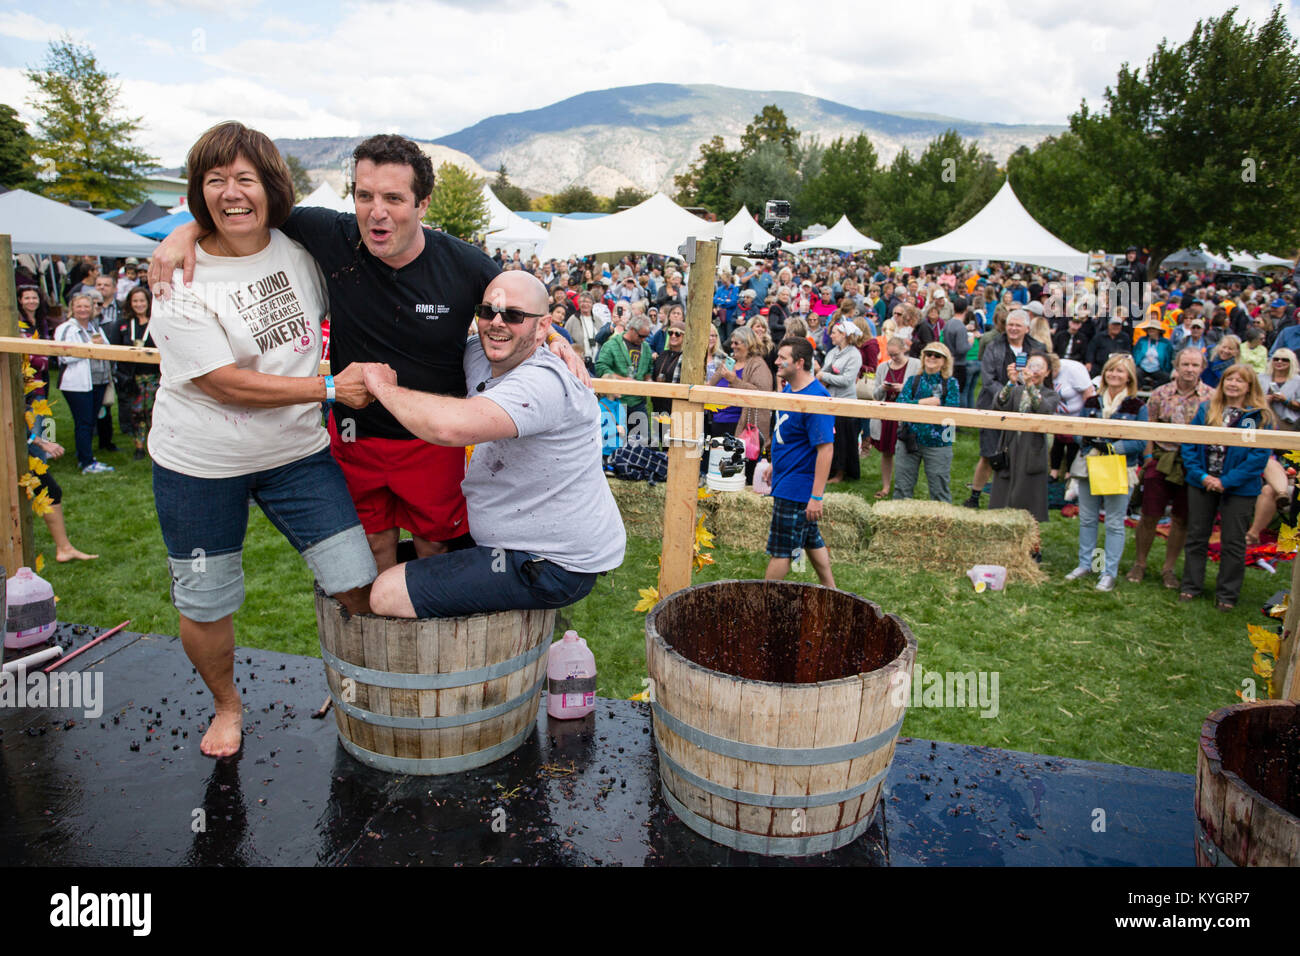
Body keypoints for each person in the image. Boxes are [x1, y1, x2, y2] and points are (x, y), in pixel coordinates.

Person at [151, 133, 584, 575]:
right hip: (355, 434)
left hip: (431, 439)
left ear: (423, 204)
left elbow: (522, 307)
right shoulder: (329, 234)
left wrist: (556, 342)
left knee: (434, 550)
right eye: (364, 195)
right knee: (371, 551)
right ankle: (376, 640)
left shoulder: (463, 264)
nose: (376, 211)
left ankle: (426, 635)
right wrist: (187, 231)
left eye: (393, 198)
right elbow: (244, 211)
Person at [148, 121, 378, 757]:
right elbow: (224, 384)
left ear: (271, 186)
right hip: (198, 462)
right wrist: (330, 391)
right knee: (205, 599)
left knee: (354, 575)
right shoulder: (179, 279)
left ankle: (351, 680)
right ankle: (227, 705)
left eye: (245, 178)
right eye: (214, 180)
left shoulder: (301, 252)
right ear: (199, 192)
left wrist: (532, 324)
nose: (231, 193)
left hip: (296, 456)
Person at [361, 272, 625, 617]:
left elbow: (449, 427)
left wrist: (380, 387)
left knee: (386, 592)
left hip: (552, 563)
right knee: (387, 560)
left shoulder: (543, 383)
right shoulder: (483, 355)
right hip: (509, 543)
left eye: (513, 315)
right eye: (487, 312)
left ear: (543, 325)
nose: (496, 323)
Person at [1179, 364, 1273, 611]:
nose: (1233, 384)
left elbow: (1258, 457)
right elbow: (1190, 444)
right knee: (1197, 535)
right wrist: (1202, 476)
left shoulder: (1258, 417)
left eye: (1239, 381)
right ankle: (1191, 586)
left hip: (1239, 488)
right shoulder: (1207, 409)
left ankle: (1227, 595)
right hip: (1202, 482)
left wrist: (1226, 481)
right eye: (1229, 379)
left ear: (1249, 386)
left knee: (1233, 541)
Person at [1063, 355, 1145, 591]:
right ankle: (1085, 563)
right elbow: (1078, 430)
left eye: (1120, 371)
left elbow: (1140, 442)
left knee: (1114, 522)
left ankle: (1108, 571)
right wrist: (1087, 441)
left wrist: (1111, 447)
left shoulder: (1137, 407)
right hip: (1090, 463)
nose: (1114, 375)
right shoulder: (1092, 402)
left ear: (1128, 376)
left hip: (1119, 467)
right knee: (1087, 518)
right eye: (1110, 370)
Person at [765, 337, 834, 587]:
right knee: (811, 541)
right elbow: (790, 435)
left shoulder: (816, 399)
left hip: (798, 488)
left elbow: (826, 449)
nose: (776, 362)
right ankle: (833, 593)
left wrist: (816, 497)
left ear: (800, 362)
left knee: (782, 550)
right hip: (787, 479)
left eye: (783, 358)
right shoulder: (789, 390)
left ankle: (762, 602)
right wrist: (775, 464)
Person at [966, 309, 1046, 508]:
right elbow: (988, 380)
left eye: (1018, 325)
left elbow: (1042, 376)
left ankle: (1013, 498)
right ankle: (975, 496)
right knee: (989, 454)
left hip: (1025, 409)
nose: (1013, 328)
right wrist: (1009, 396)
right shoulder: (994, 346)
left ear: (1027, 328)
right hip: (994, 406)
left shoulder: (1037, 348)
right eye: (1010, 324)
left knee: (1019, 455)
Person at [989, 353, 1056, 522]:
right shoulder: (1016, 391)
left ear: (1047, 373)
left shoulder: (1051, 395)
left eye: (1039, 367)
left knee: (1029, 499)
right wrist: (1011, 383)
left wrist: (1029, 385)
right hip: (1009, 446)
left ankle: (1031, 542)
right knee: (1003, 494)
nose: (1034, 371)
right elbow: (998, 405)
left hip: (1032, 451)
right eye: (1031, 365)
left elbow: (1044, 410)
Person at [53, 293, 115, 474]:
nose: (83, 310)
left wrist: (102, 345)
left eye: (86, 306)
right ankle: (87, 462)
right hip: (77, 384)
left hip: (98, 381)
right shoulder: (66, 328)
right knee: (84, 422)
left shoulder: (95, 327)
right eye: (79, 306)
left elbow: (109, 349)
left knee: (90, 421)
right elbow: (63, 356)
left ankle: (85, 456)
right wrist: (89, 347)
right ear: (72, 308)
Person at [894, 342, 961, 502]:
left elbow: (953, 411)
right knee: (902, 488)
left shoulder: (951, 383)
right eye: (928, 354)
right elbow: (900, 405)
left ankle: (942, 524)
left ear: (945, 361)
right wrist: (924, 402)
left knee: (939, 490)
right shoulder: (913, 380)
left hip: (940, 442)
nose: (932, 358)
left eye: (937, 355)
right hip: (909, 439)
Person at [868, 336, 920, 499]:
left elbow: (920, 390)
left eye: (896, 354)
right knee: (886, 452)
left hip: (905, 415)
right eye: (890, 355)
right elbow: (875, 395)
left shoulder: (916, 365)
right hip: (887, 416)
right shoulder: (883, 367)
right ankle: (886, 486)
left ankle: (904, 486)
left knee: (905, 453)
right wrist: (883, 388)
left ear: (904, 349)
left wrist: (903, 388)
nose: (893, 358)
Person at [819, 320, 863, 483]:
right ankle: (831, 470)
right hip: (830, 399)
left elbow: (847, 380)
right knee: (831, 437)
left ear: (844, 335)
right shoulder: (832, 353)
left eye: (834, 332)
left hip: (846, 401)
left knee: (844, 439)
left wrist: (824, 376)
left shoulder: (854, 354)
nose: (831, 335)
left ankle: (841, 472)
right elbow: (825, 369)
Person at [597, 313, 653, 428]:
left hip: (638, 402)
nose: (643, 340)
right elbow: (601, 367)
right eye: (641, 336)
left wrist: (649, 380)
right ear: (632, 329)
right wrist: (623, 380)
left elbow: (648, 370)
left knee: (641, 441)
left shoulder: (646, 348)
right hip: (617, 402)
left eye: (646, 337)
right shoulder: (611, 345)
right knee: (617, 440)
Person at [1132, 316, 1173, 390]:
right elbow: (1135, 354)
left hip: (1158, 368)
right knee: (1135, 373)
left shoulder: (1166, 343)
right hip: (1142, 367)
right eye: (1149, 329)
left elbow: (1169, 357)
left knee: (1167, 377)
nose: (1151, 330)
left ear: (1158, 331)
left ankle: (1155, 390)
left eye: (1153, 328)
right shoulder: (1142, 341)